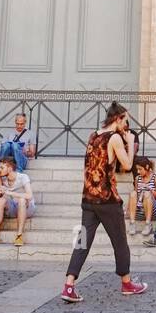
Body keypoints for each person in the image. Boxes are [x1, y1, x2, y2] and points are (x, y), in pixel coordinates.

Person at [61, 102, 148, 302]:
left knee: (82, 243)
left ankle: (69, 285)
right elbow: (127, 165)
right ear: (117, 119)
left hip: (88, 199)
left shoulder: (93, 135)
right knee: (120, 242)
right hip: (108, 200)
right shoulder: (115, 137)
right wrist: (130, 142)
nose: (126, 125)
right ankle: (127, 283)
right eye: (126, 121)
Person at [0, 157, 35, 246]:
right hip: (13, 208)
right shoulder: (3, 180)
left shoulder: (23, 177)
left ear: (9, 168)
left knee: (21, 200)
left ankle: (19, 236)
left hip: (27, 208)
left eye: (2, 168)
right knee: (1, 200)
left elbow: (29, 195)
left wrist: (10, 193)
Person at [127, 156, 156, 235]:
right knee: (133, 193)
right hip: (139, 212)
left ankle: (148, 224)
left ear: (146, 167)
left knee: (147, 193)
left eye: (140, 169)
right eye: (137, 169)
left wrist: (149, 189)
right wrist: (127, 209)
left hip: (153, 212)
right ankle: (132, 224)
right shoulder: (137, 178)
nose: (138, 172)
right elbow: (134, 196)